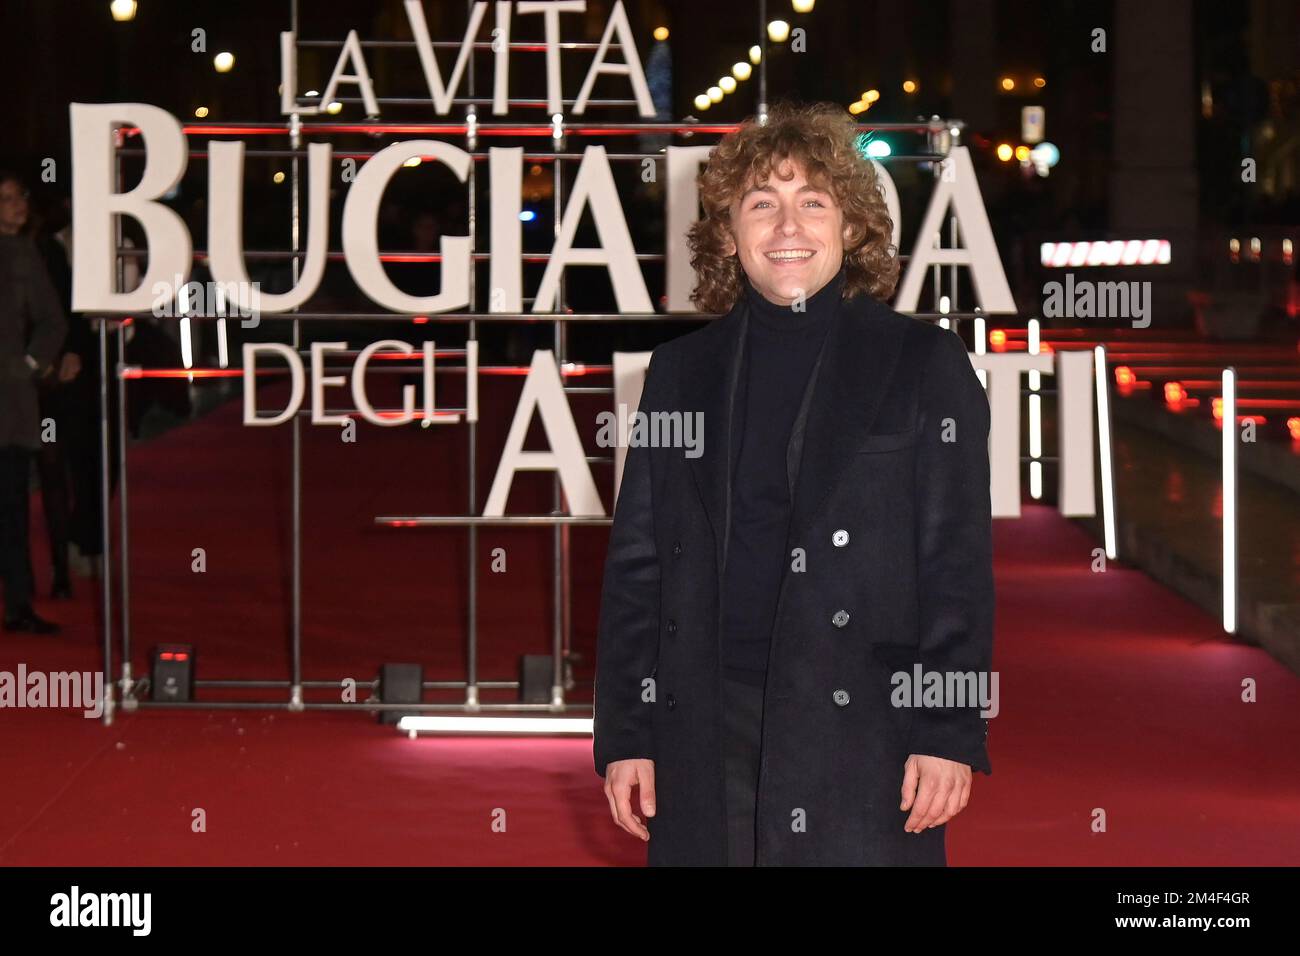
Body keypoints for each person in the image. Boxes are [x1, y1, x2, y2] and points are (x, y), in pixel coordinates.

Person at [592, 105, 995, 866]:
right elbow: (639, 564)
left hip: (864, 730)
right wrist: (627, 734)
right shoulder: (681, 373)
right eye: (761, 204)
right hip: (707, 723)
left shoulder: (922, 364)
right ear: (728, 234)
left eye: (813, 202)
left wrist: (946, 731)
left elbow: (957, 567)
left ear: (851, 228)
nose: (787, 226)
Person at [0, 169, 67, 633]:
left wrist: (26, 365)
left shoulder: (27, 253)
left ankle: (19, 606)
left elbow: (53, 321)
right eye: (6, 199)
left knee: (13, 509)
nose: (18, 205)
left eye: (19, 195)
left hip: (12, 405)